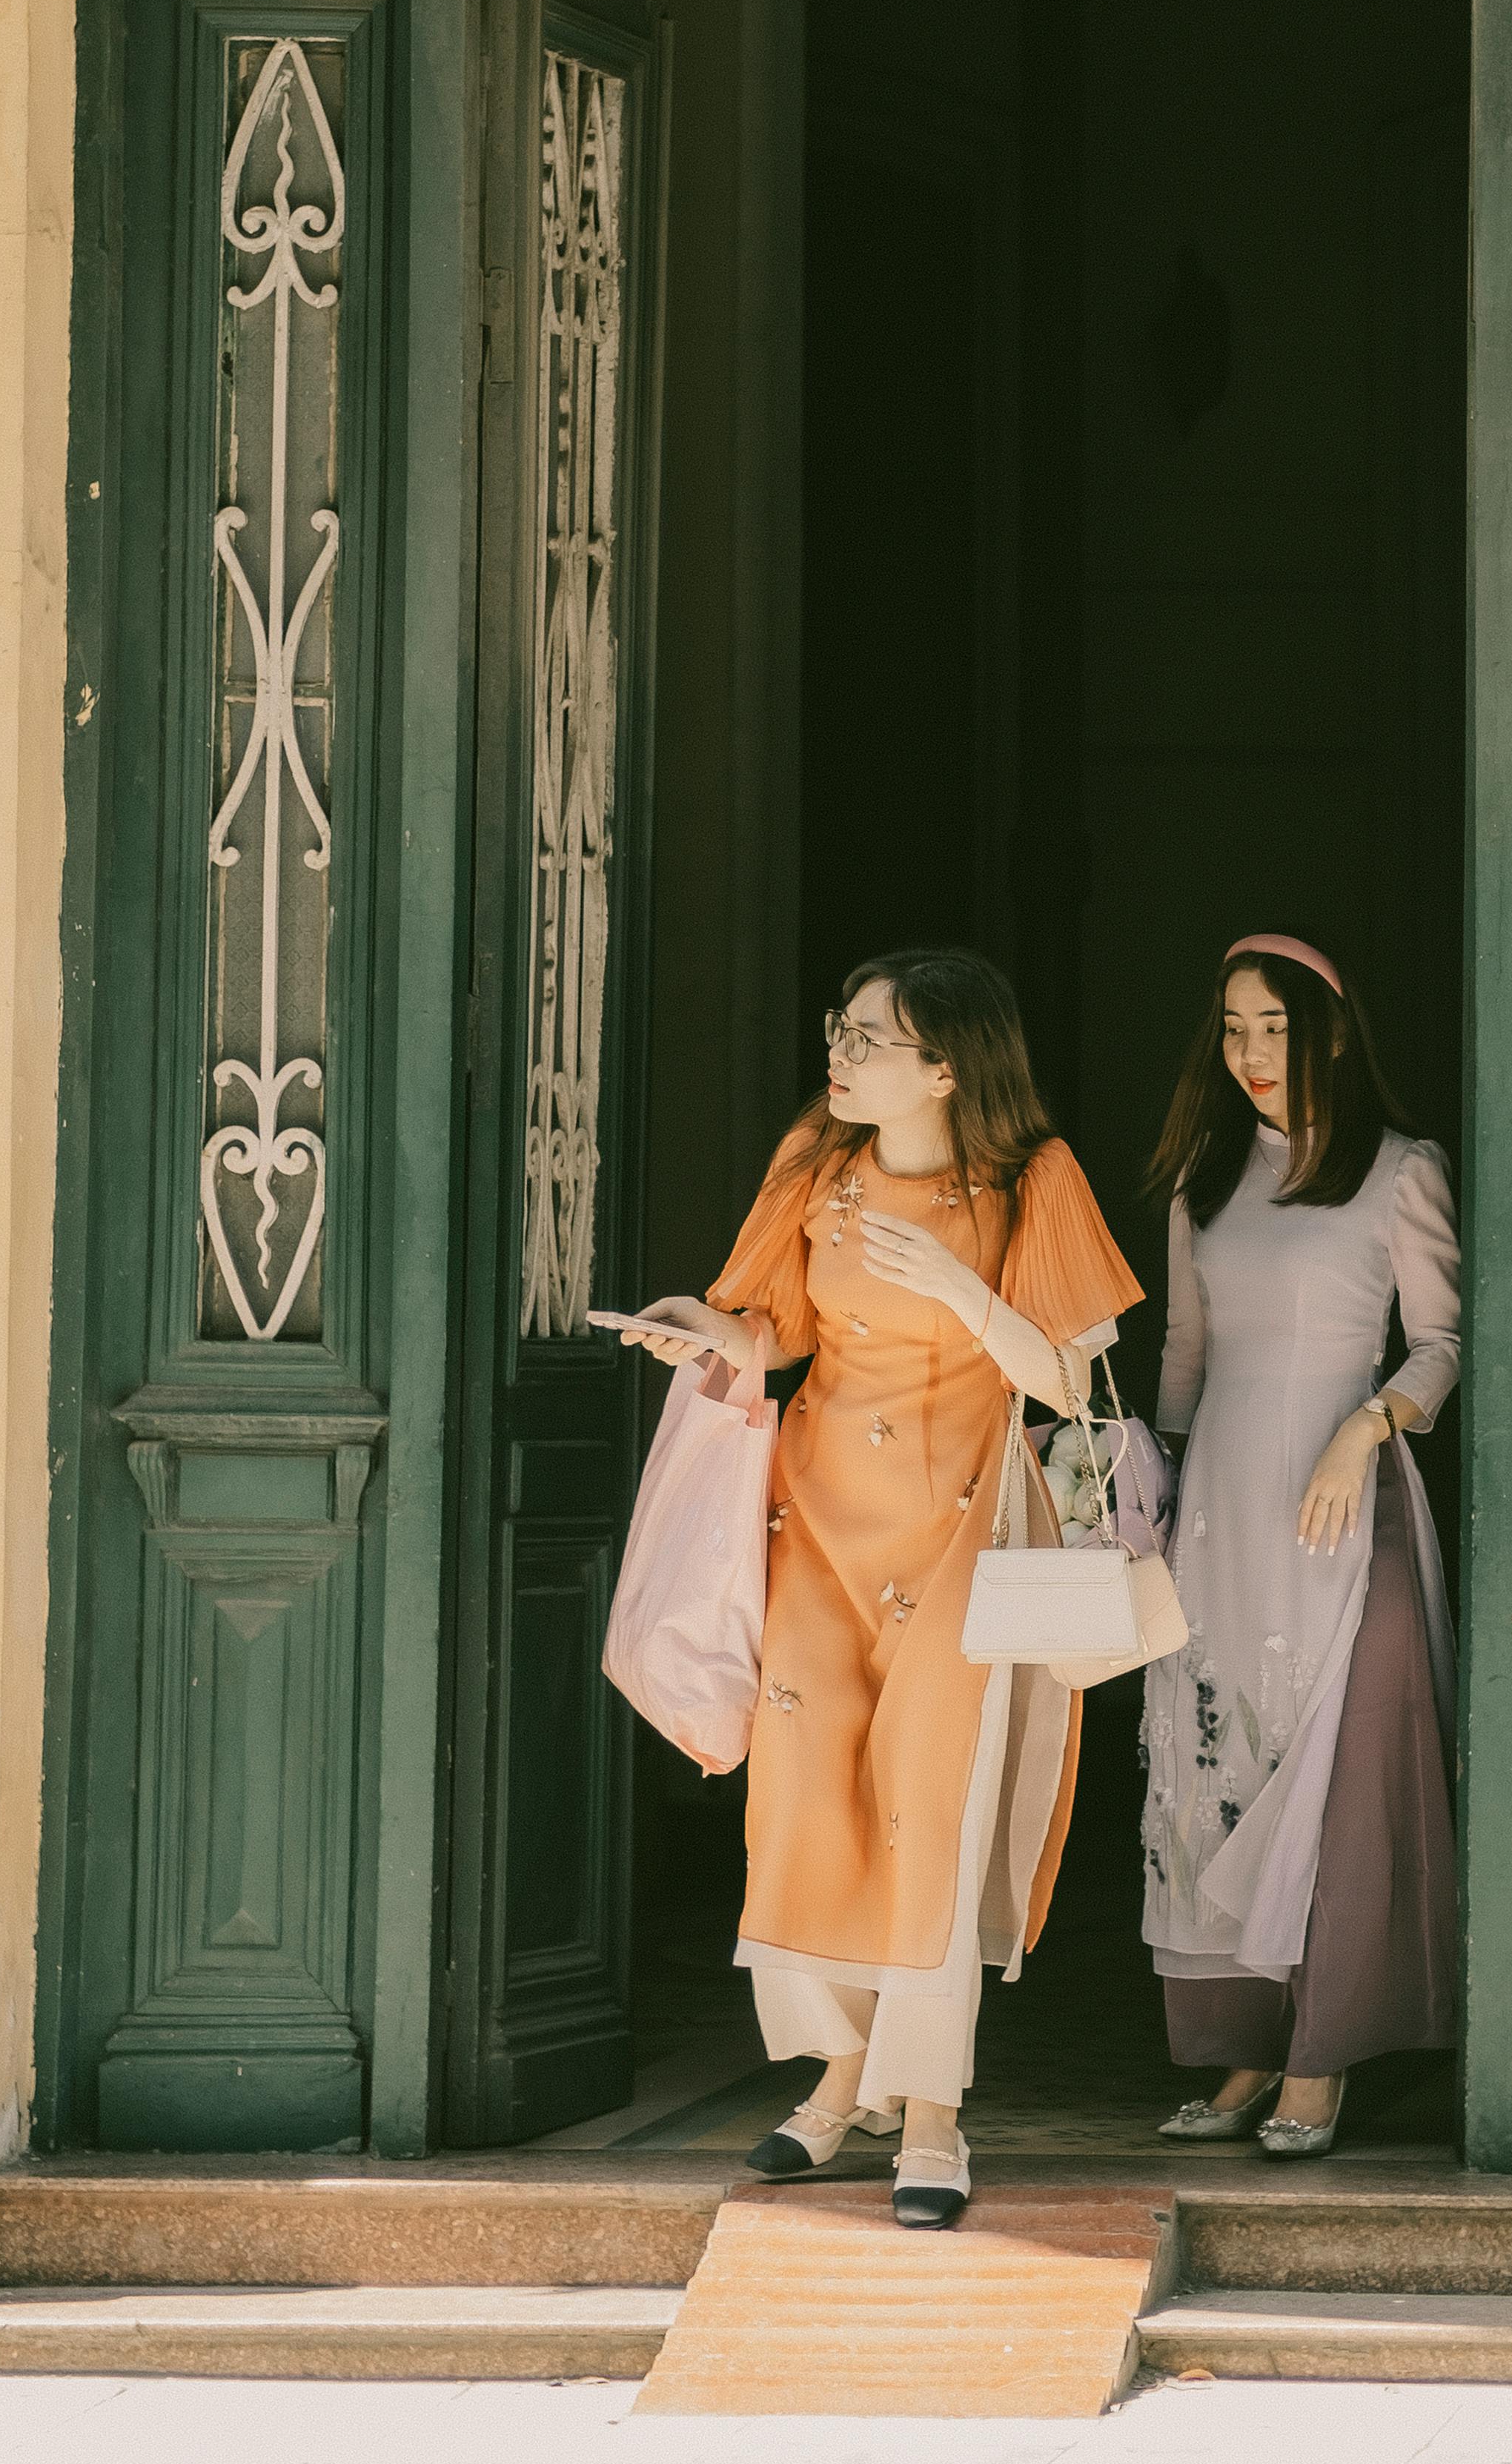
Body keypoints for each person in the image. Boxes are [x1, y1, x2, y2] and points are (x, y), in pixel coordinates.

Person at [619, 950, 1138, 2229]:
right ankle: (836, 2081)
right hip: (818, 1533)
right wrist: (704, 1327)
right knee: (808, 1807)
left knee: (929, 1813)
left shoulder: (1034, 1181)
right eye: (839, 1030)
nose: (840, 1054)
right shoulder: (819, 1169)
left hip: (958, 1537)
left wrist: (961, 1285)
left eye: (869, 1037)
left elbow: (1070, 1383)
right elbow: (773, 1330)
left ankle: (933, 2117)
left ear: (948, 1064)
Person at [1139, 935, 1460, 2156]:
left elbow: (1440, 1340)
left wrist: (1365, 1425)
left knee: (1333, 1770)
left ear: (1328, 1030)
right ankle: (1241, 2053)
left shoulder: (1398, 1169)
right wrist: (1151, 1499)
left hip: (1342, 1506)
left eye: (1273, 1026)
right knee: (1216, 1761)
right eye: (1231, 1028)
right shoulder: (1201, 1176)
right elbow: (1183, 1350)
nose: (1250, 1053)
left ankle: (1320, 2057)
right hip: (1218, 1509)